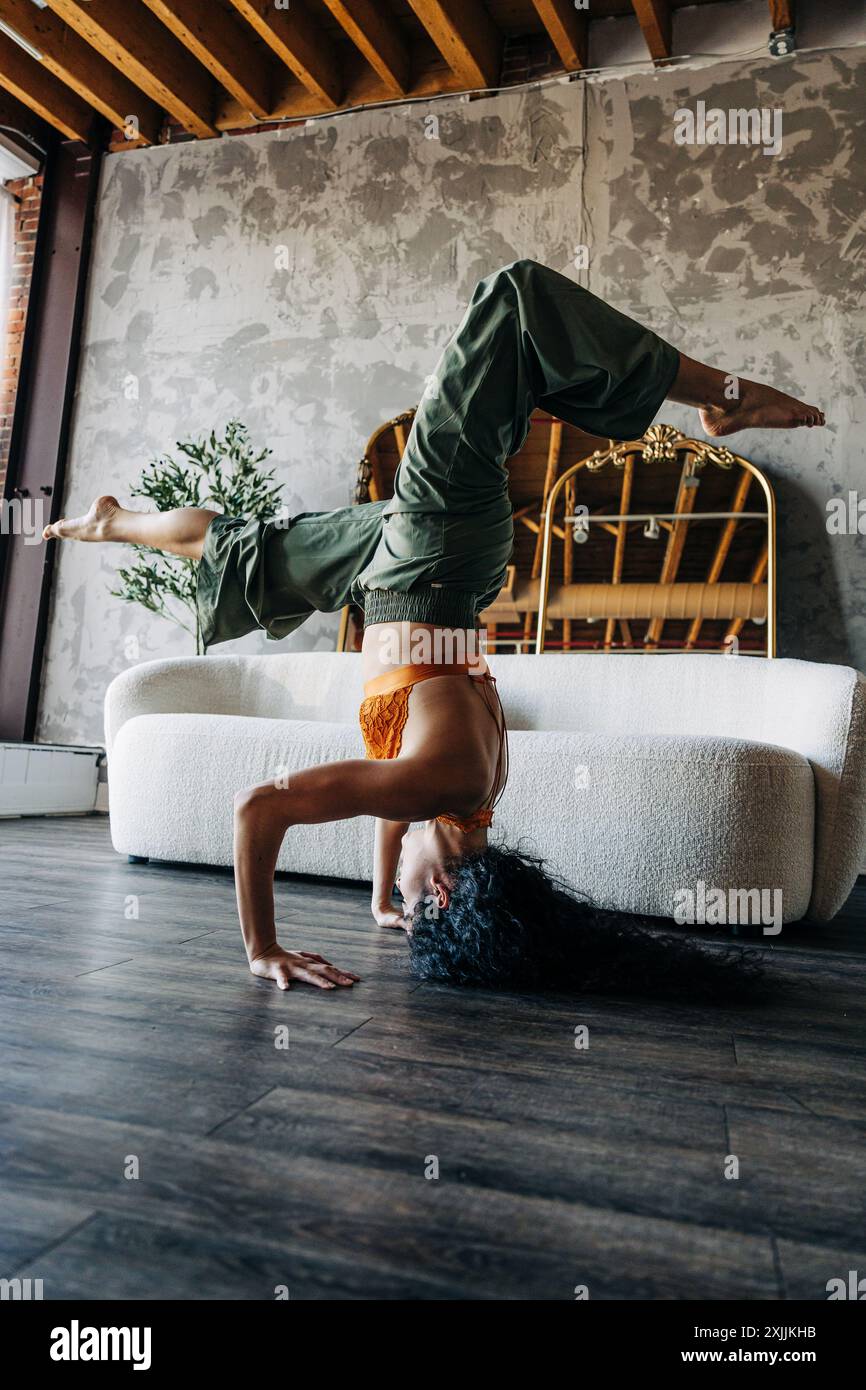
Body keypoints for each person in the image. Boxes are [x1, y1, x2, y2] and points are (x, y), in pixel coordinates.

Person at [44, 260, 823, 997]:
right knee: (514, 302)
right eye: (417, 907)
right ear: (445, 891)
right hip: (433, 555)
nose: (402, 900)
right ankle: (721, 395)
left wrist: (386, 897)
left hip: (401, 572)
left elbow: (399, 808)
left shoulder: (464, 806)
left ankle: (115, 524)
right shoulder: (440, 787)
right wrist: (264, 948)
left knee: (246, 553)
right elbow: (259, 807)